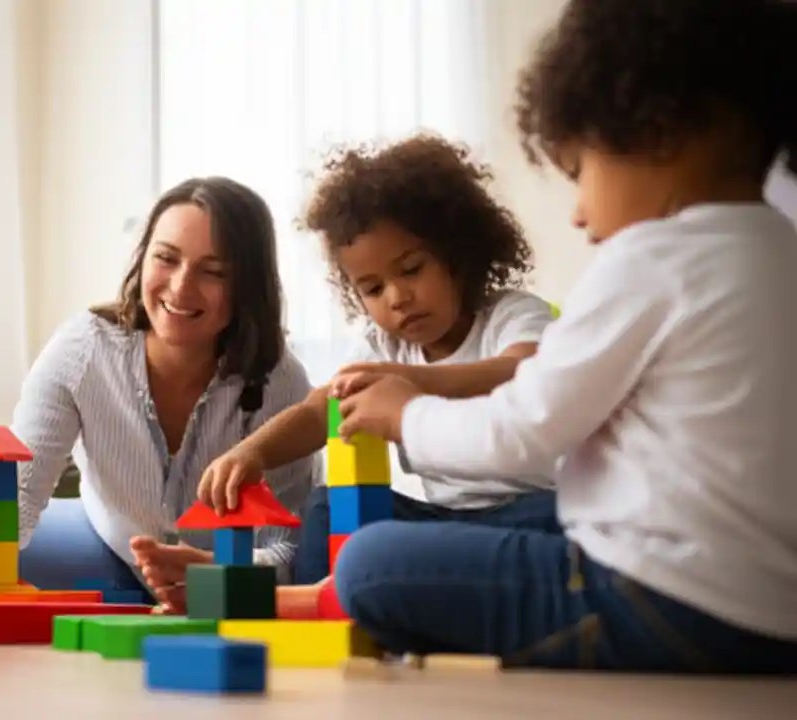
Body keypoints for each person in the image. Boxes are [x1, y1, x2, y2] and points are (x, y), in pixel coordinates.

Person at [330, 0, 797, 673]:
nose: (578, 212)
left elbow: (523, 428)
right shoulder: (779, 250)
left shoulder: (651, 259)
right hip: (775, 612)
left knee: (371, 565)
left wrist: (408, 414)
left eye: (580, 172)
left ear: (660, 132)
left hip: (659, 604)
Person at [0, 177, 314, 597]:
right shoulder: (84, 349)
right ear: (142, 258)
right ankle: (122, 595)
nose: (181, 286)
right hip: (105, 545)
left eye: (213, 271)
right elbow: (19, 502)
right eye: (166, 258)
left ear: (247, 286)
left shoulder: (280, 380)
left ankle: (130, 599)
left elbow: (287, 551)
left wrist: (218, 574)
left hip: (216, 567)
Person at [188, 134, 559, 590]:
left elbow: (524, 371)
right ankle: (317, 616)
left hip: (532, 510)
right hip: (446, 521)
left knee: (568, 517)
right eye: (373, 288)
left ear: (459, 256)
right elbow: (318, 410)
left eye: (411, 270)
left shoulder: (511, 315)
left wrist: (403, 381)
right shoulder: (383, 346)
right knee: (326, 509)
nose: (398, 298)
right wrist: (253, 452)